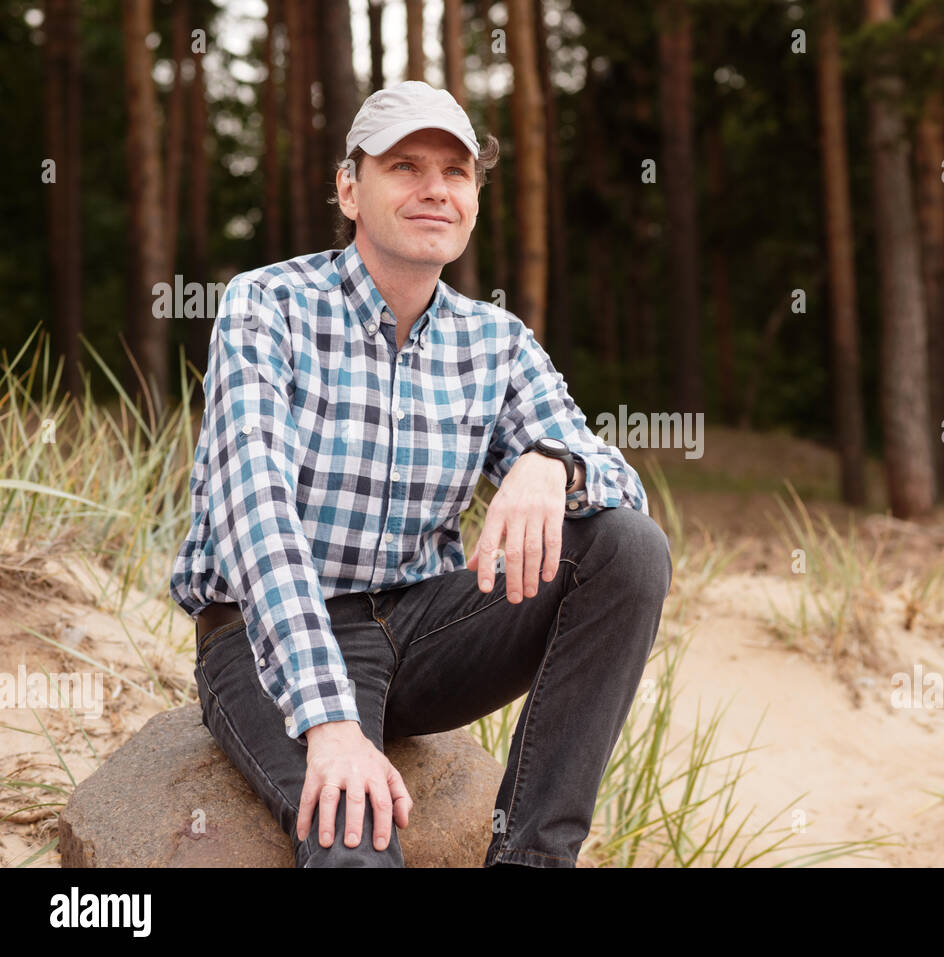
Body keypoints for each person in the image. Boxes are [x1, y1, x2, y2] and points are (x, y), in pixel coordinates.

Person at [169, 81, 673, 868]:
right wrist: (331, 724)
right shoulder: (265, 305)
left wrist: (553, 461)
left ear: (474, 196)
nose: (435, 189)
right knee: (354, 842)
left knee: (627, 548)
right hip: (269, 636)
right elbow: (254, 510)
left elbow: (621, 488)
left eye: (456, 171)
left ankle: (534, 857)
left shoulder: (497, 342)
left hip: (420, 633)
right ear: (349, 188)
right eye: (405, 166)